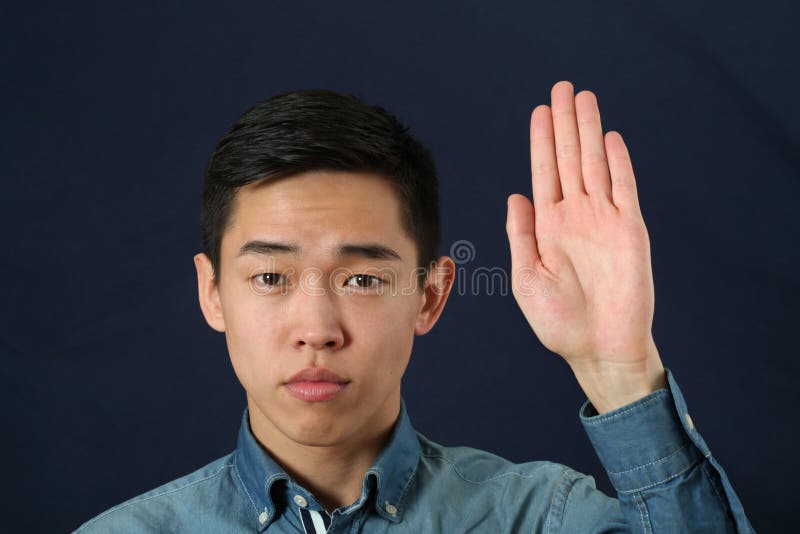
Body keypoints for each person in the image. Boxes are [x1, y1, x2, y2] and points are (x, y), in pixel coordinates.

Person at [75, 81, 754, 533]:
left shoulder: (539, 518)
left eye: (363, 280)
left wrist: (620, 367)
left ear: (430, 294)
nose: (316, 329)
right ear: (212, 292)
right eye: (272, 277)